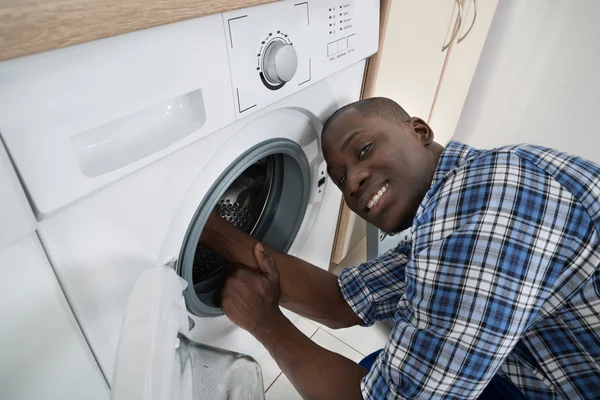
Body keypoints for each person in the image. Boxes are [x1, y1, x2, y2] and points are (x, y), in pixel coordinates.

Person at [199, 97, 600, 399]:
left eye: (364, 150)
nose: (353, 180)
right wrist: (208, 228)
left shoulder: (493, 205)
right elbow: (342, 301)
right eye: (338, 179)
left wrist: (266, 324)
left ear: (419, 131)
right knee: (380, 368)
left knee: (380, 379)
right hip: (541, 372)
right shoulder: (456, 204)